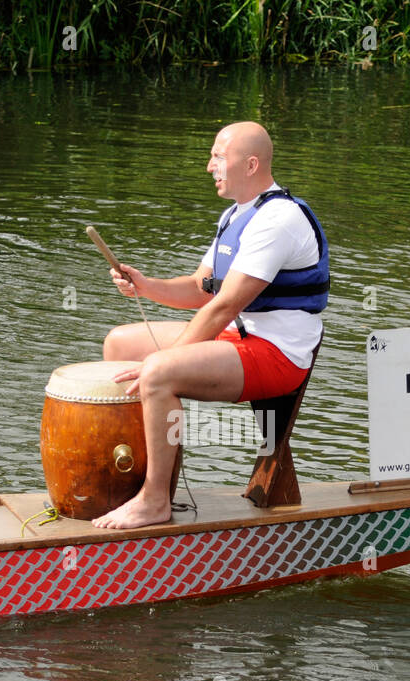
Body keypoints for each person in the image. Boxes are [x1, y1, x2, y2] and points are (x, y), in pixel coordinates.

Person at [93, 120, 329, 530]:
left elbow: (222, 307)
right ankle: (137, 480)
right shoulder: (235, 215)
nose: (209, 166)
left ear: (251, 163)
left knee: (158, 371)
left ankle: (153, 502)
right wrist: (145, 286)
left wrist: (165, 359)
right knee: (119, 345)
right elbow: (203, 289)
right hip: (240, 337)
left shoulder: (279, 219)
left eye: (218, 156)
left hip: (277, 356)